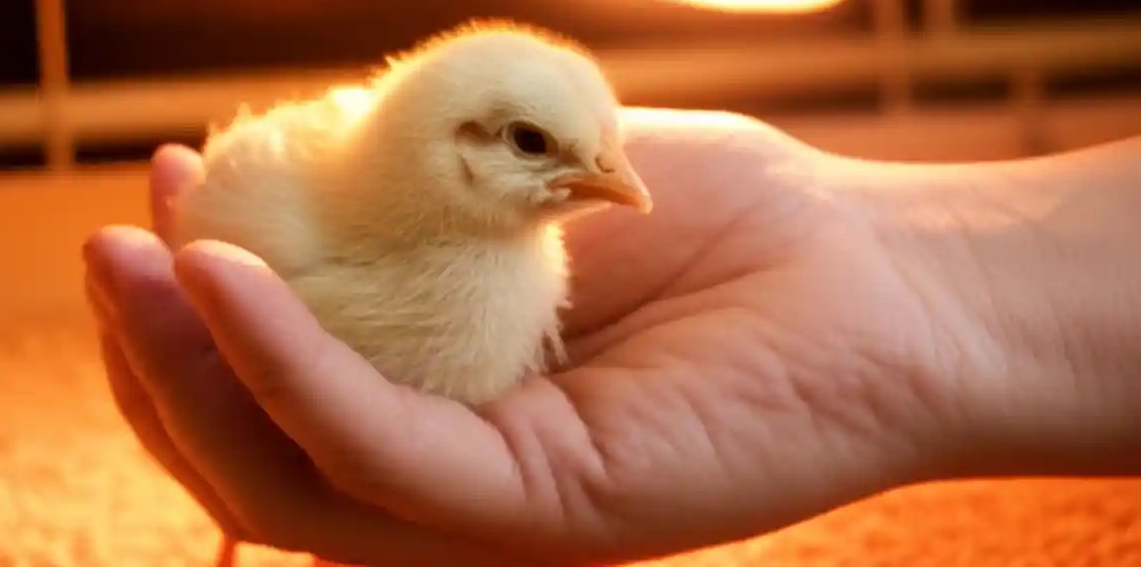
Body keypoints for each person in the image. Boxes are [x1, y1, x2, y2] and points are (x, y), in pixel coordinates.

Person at [82, 108, 1141, 566]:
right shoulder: (297, 212)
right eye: (543, 147)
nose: (617, 186)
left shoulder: (528, 260)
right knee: (241, 374)